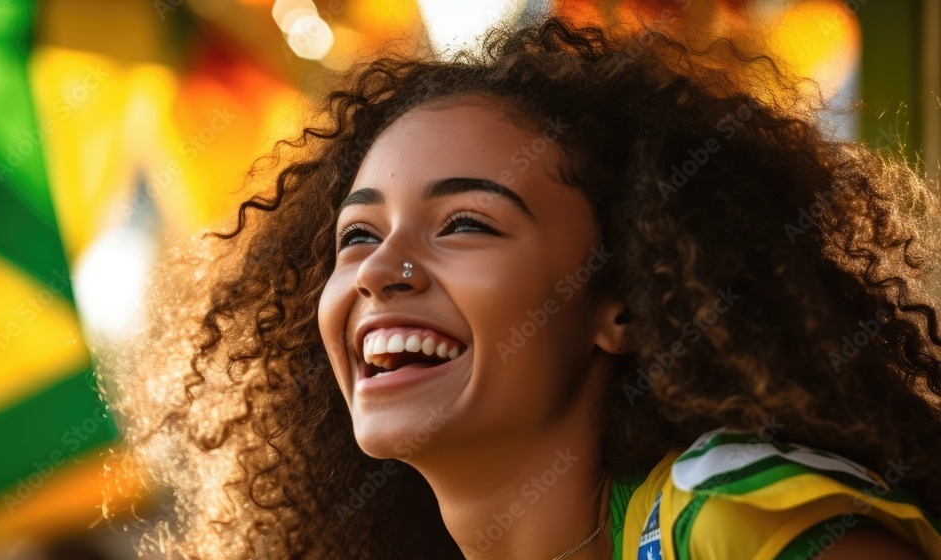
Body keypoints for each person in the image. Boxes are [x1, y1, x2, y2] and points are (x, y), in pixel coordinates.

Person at [106, 16, 941, 560]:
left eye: (466, 223)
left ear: (622, 304)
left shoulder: (734, 525)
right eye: (357, 235)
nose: (380, 270)